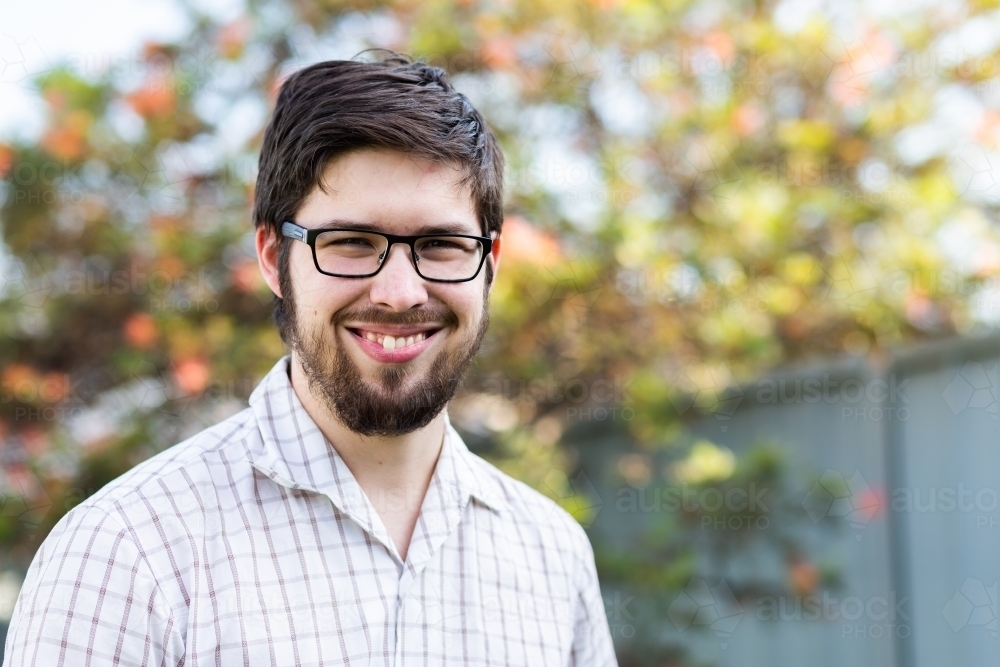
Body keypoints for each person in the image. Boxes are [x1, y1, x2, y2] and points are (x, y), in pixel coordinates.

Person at [3, 53, 618, 666]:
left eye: (440, 245)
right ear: (273, 257)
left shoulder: (552, 555)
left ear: (490, 260)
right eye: (352, 242)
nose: (400, 292)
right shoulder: (123, 555)